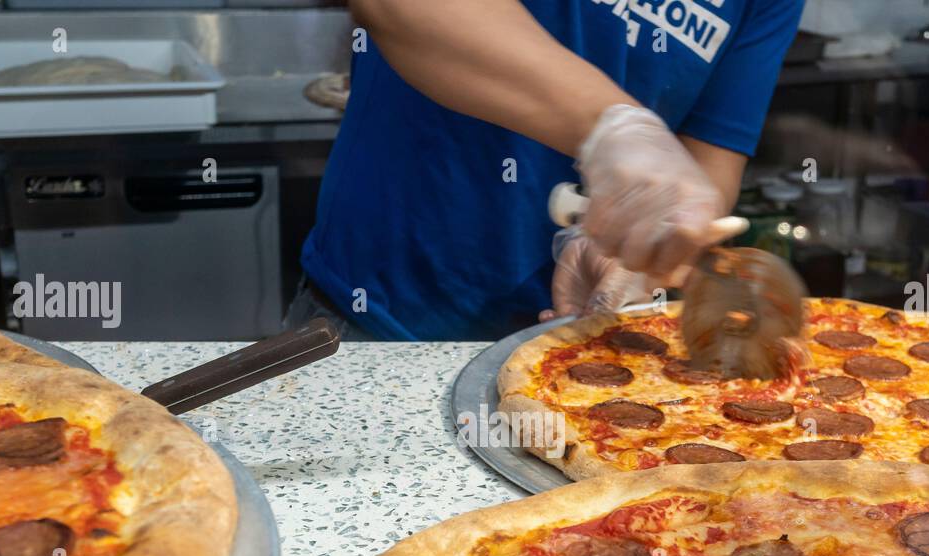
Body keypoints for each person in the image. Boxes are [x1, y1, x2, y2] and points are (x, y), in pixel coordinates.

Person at [293, 0, 805, 341]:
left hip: (584, 348)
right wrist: (614, 130)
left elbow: (713, 152)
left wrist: (639, 244)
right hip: (371, 318)